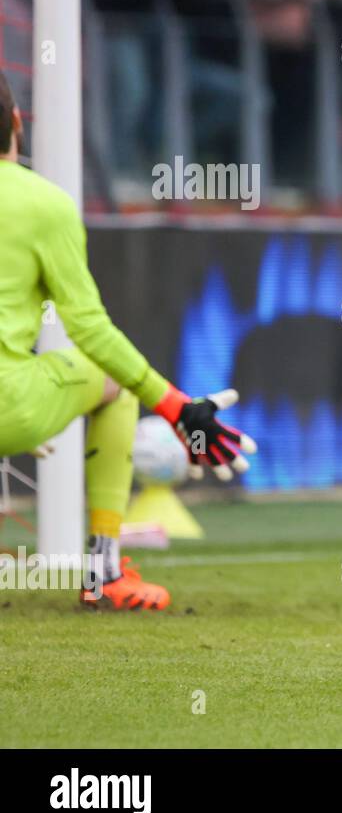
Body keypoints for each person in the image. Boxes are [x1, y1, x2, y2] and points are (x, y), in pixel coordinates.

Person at [0, 73, 257, 610]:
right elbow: (88, 329)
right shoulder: (42, 203)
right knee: (110, 382)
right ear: (18, 124)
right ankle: (104, 572)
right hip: (11, 403)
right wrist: (175, 406)